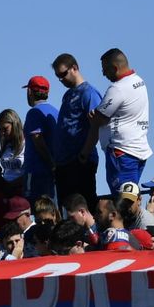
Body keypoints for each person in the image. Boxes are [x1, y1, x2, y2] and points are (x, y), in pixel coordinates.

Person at [89, 49, 152, 194]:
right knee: (130, 195)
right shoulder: (138, 81)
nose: (103, 74)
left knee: (123, 200)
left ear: (115, 68)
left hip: (121, 152)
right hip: (137, 149)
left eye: (105, 70)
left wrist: (93, 116)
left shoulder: (118, 88)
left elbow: (100, 118)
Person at [51, 53, 102, 207]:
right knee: (67, 208)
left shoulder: (89, 93)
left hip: (80, 160)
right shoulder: (68, 95)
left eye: (63, 74)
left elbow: (96, 125)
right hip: (64, 162)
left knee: (83, 206)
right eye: (58, 76)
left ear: (74, 68)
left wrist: (84, 153)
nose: (61, 79)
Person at [22, 76, 58, 201]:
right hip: (53, 170)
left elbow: (37, 139)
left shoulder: (34, 112)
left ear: (30, 92)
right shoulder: (55, 111)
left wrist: (52, 165)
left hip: (37, 170)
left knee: (36, 208)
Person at [0, 109, 26, 189]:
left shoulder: (27, 143)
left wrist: (11, 185)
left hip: (23, 191)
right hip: (7, 191)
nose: (2, 133)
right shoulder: (6, 146)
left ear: (15, 125)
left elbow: (32, 173)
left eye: (5, 129)